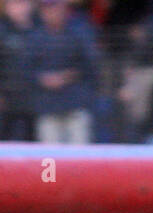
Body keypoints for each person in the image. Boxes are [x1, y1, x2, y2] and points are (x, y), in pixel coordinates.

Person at [28, 0, 99, 144]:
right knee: (50, 159)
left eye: (55, 7)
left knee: (79, 157)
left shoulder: (79, 34)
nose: (52, 12)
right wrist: (43, 79)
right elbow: (26, 69)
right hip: (47, 107)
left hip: (76, 105)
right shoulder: (35, 37)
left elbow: (91, 66)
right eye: (47, 8)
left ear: (65, 9)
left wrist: (66, 76)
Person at [0, 0, 37, 140]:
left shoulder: (40, 30)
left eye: (22, 3)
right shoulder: (2, 31)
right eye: (14, 3)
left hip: (35, 100)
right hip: (6, 100)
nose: (18, 8)